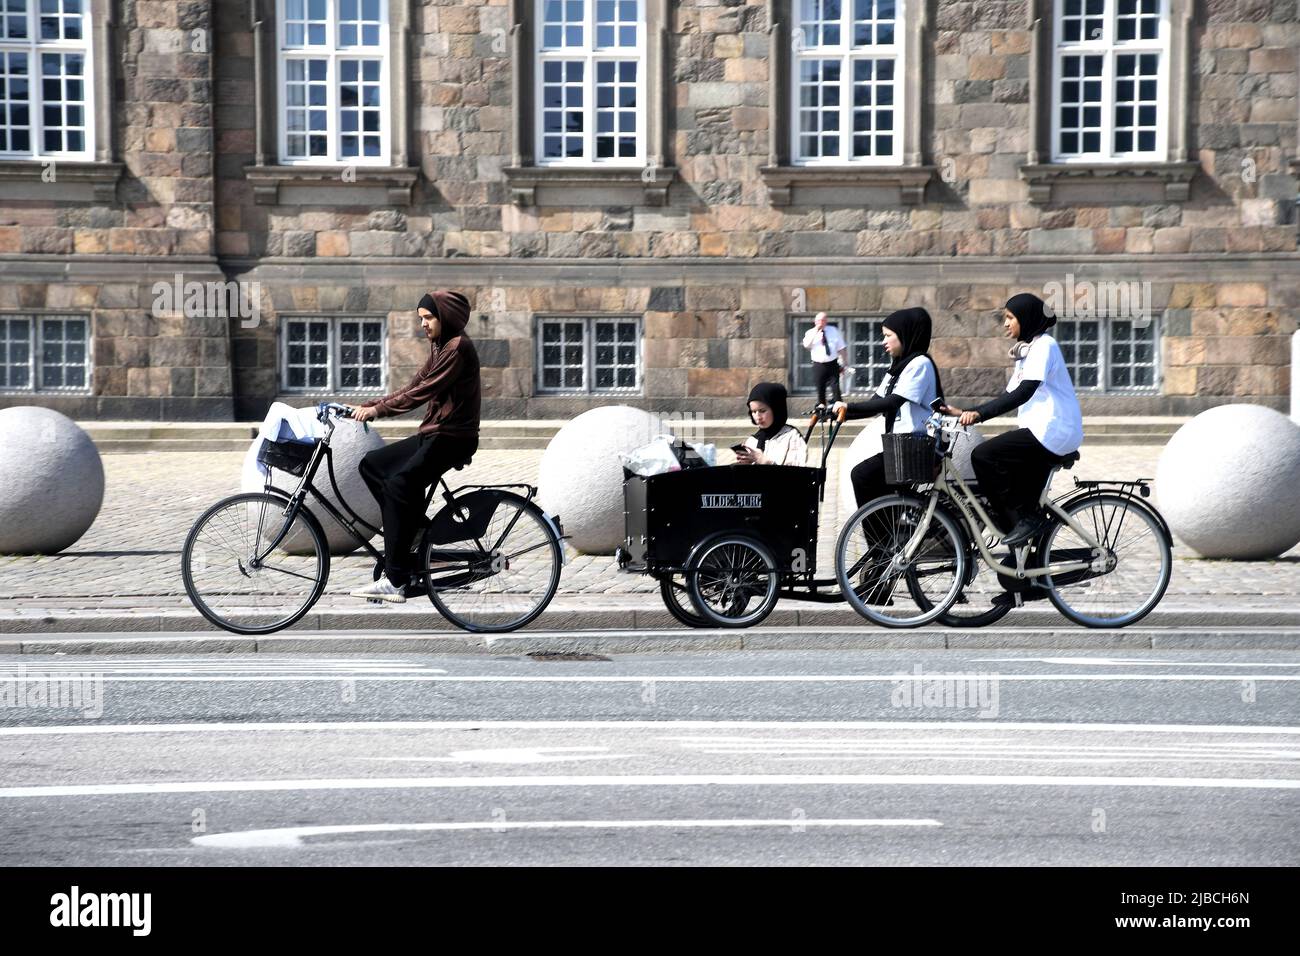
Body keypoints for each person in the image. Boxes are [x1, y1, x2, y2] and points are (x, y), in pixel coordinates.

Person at [347, 290, 481, 602]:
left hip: (452, 437)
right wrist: (369, 405)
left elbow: (423, 392)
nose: (423, 324)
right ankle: (417, 531)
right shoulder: (440, 346)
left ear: (444, 317)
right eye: (420, 318)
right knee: (372, 465)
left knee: (398, 485)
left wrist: (379, 411)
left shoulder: (457, 348)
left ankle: (396, 580)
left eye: (428, 317)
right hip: (435, 433)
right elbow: (414, 385)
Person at [941, 292, 1084, 547]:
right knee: (1017, 490)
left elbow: (1023, 392)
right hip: (1041, 432)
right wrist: (965, 410)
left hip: (1053, 430)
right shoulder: (1027, 350)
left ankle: (1024, 518)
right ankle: (1028, 579)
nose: (1005, 323)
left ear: (1026, 318)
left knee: (984, 456)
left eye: (1010, 317)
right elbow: (1008, 395)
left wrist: (979, 415)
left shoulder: (1044, 346)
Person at [833, 307, 943, 509]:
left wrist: (848, 406)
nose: (883, 341)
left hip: (918, 446)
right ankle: (894, 535)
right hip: (901, 445)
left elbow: (892, 402)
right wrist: (840, 413)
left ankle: (882, 540)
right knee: (877, 486)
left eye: (887, 335)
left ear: (904, 334)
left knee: (862, 475)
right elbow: (876, 402)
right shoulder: (898, 367)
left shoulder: (920, 364)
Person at [736, 382, 808, 467]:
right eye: (753, 412)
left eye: (762, 411)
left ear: (776, 409)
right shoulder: (752, 441)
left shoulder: (792, 437)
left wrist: (766, 462)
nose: (758, 417)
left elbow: (797, 474)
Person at [801, 312, 847, 406]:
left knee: (836, 388)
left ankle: (838, 411)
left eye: (823, 320)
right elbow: (806, 345)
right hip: (819, 364)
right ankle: (822, 412)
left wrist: (845, 363)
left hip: (833, 363)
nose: (821, 322)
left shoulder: (833, 330)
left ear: (826, 321)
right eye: (819, 320)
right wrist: (816, 331)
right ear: (815, 322)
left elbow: (841, 348)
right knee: (820, 388)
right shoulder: (810, 332)